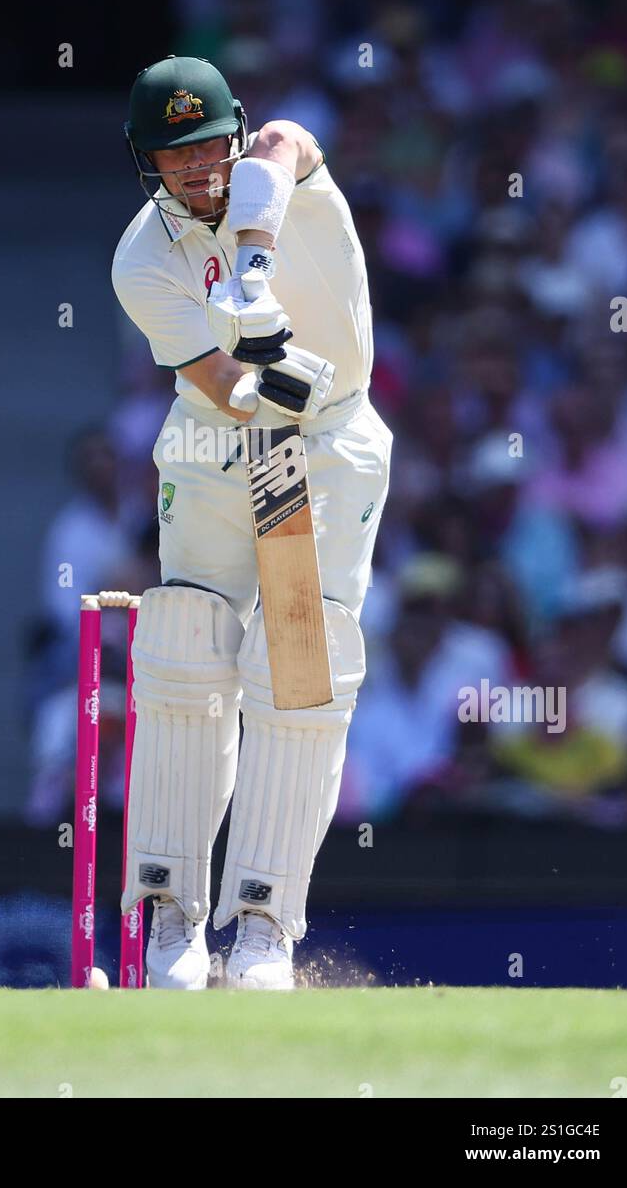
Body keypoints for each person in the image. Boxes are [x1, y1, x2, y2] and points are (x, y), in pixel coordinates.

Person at [111, 55, 392, 989]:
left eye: (206, 145)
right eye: (171, 153)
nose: (196, 169)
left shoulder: (278, 163)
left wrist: (256, 273)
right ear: (146, 162)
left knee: (296, 664)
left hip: (327, 442)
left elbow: (285, 141)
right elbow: (217, 384)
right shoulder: (142, 257)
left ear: (232, 135)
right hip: (215, 440)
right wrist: (264, 372)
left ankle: (265, 927)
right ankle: (171, 919)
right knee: (187, 651)